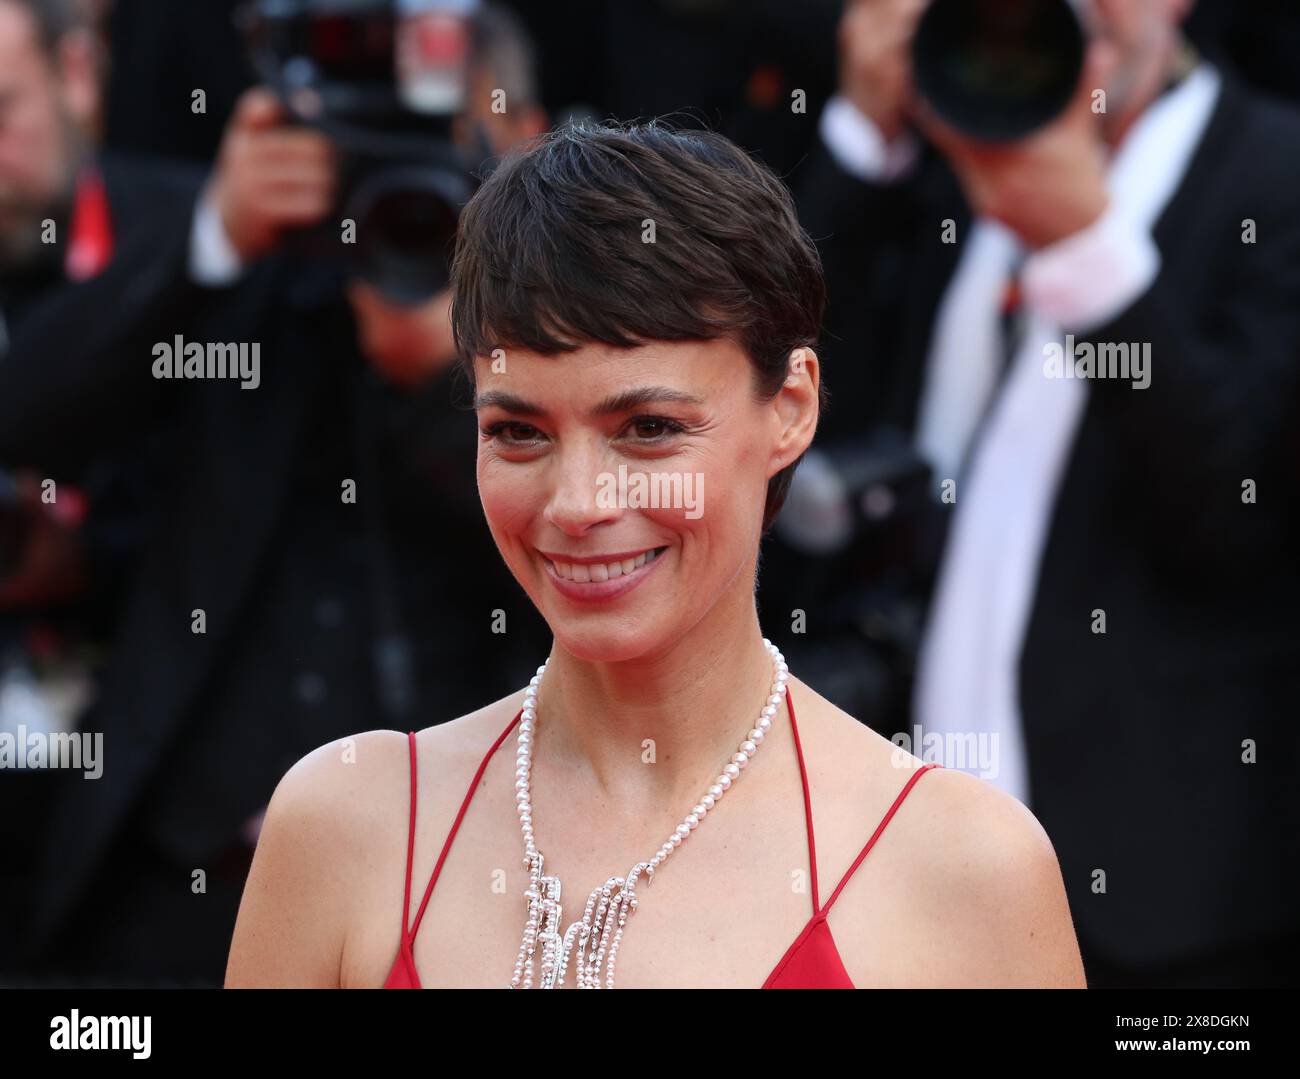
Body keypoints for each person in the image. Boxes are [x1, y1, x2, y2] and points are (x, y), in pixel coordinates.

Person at [225, 119, 1087, 989]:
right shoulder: (347, 822)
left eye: (649, 429)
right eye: (518, 431)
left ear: (790, 407)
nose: (577, 504)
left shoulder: (964, 870)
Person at [0, 0, 552, 985]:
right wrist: (217, 235)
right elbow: (27, 416)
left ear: (526, 139)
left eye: (442, 139)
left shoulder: (565, 320)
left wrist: (459, 378)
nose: (406, 177)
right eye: (363, 137)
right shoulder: (232, 255)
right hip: (171, 887)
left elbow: (578, 545)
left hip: (445, 884)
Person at [796, 0, 1300, 985]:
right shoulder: (955, 157)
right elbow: (777, 384)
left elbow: (1231, 513)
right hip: (911, 850)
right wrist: (863, 137)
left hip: (1163, 909)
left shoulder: (1275, 177)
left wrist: (1086, 252)